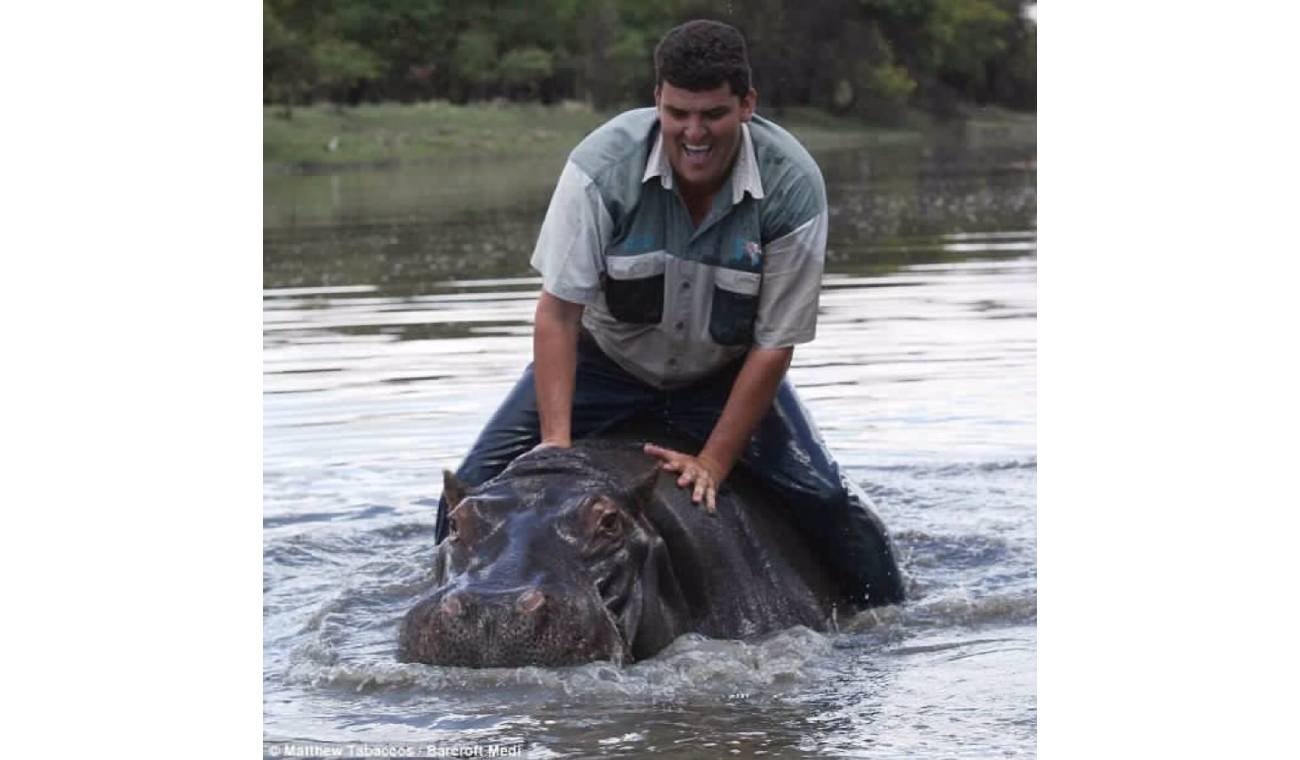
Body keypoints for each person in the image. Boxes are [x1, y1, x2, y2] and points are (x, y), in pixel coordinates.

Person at [434, 19, 903, 606]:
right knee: (466, 497)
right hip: (602, 368)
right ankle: (444, 609)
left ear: (747, 105)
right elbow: (558, 314)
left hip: (722, 375)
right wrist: (556, 446)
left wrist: (713, 462)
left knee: (831, 503)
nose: (694, 132)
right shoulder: (600, 167)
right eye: (678, 113)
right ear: (657, 99)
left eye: (713, 114)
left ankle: (888, 621)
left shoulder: (793, 184)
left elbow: (774, 345)